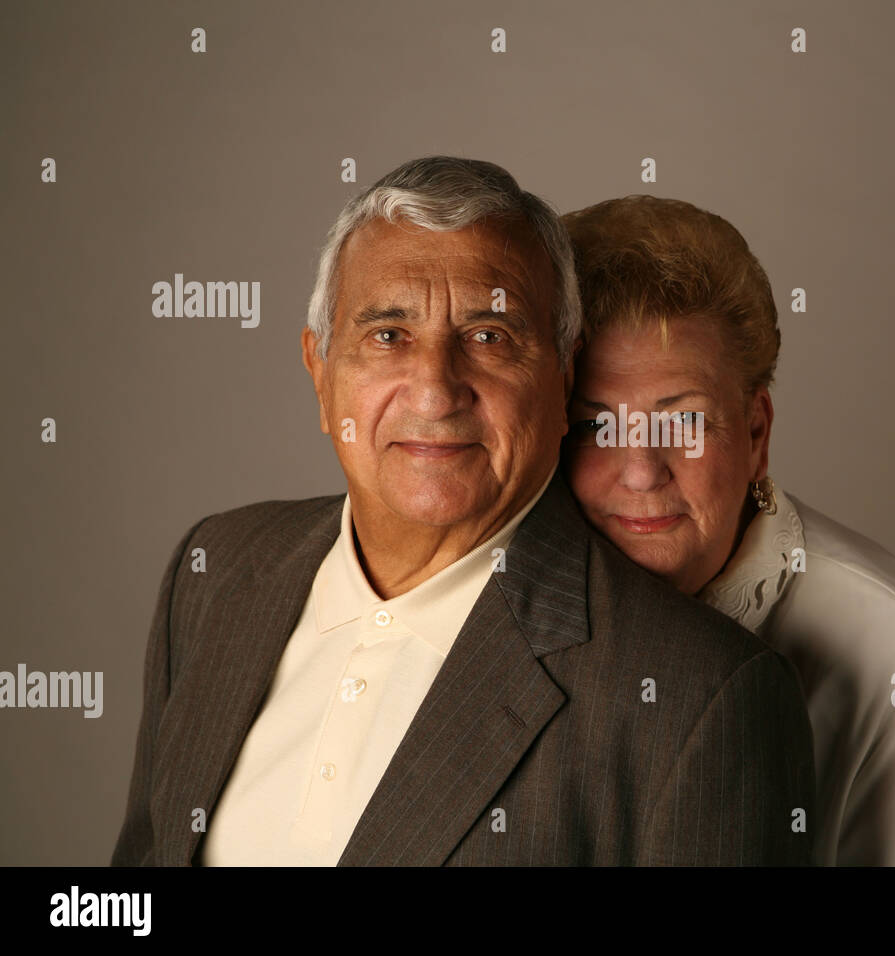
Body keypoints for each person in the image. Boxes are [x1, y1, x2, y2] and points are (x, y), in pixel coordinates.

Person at [110, 158, 815, 867]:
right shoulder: (216, 571)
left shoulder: (701, 701)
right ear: (320, 373)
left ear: (562, 375)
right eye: (388, 335)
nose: (435, 391)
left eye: (489, 337)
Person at [561, 195, 895, 865]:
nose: (639, 472)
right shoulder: (487, 590)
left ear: (755, 432)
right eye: (597, 424)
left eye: (682, 422)